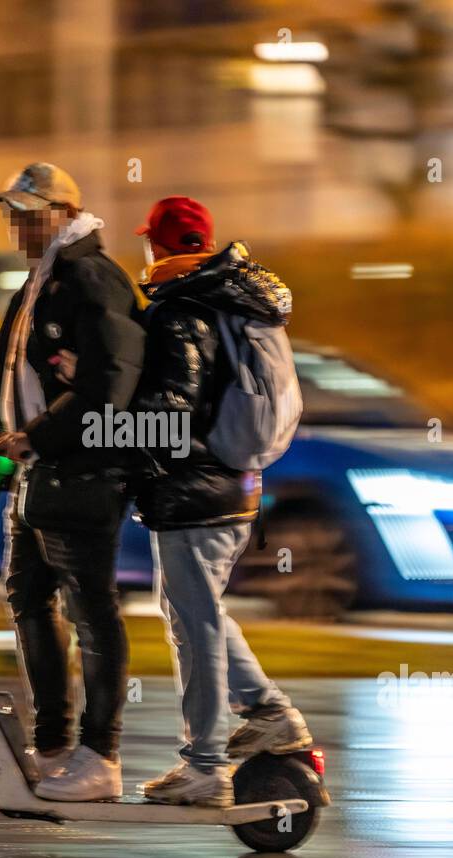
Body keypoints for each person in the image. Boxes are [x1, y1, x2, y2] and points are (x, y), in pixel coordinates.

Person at [129, 196, 311, 808]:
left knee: (196, 622)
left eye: (149, 242)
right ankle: (268, 713)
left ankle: (205, 765)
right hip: (232, 482)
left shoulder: (183, 311)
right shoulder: (229, 300)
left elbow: (170, 413)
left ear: (162, 246)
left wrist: (97, 432)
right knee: (189, 609)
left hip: (196, 489)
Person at [0, 162, 146, 801]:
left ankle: (99, 758)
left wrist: (39, 435)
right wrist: (0, 426)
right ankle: (53, 747)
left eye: (25, 213)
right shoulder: (45, 279)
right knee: (27, 600)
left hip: (82, 471)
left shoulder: (89, 277)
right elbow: (32, 379)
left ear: (62, 213)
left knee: (91, 609)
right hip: (40, 472)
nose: (15, 225)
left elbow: (111, 384)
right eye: (10, 214)